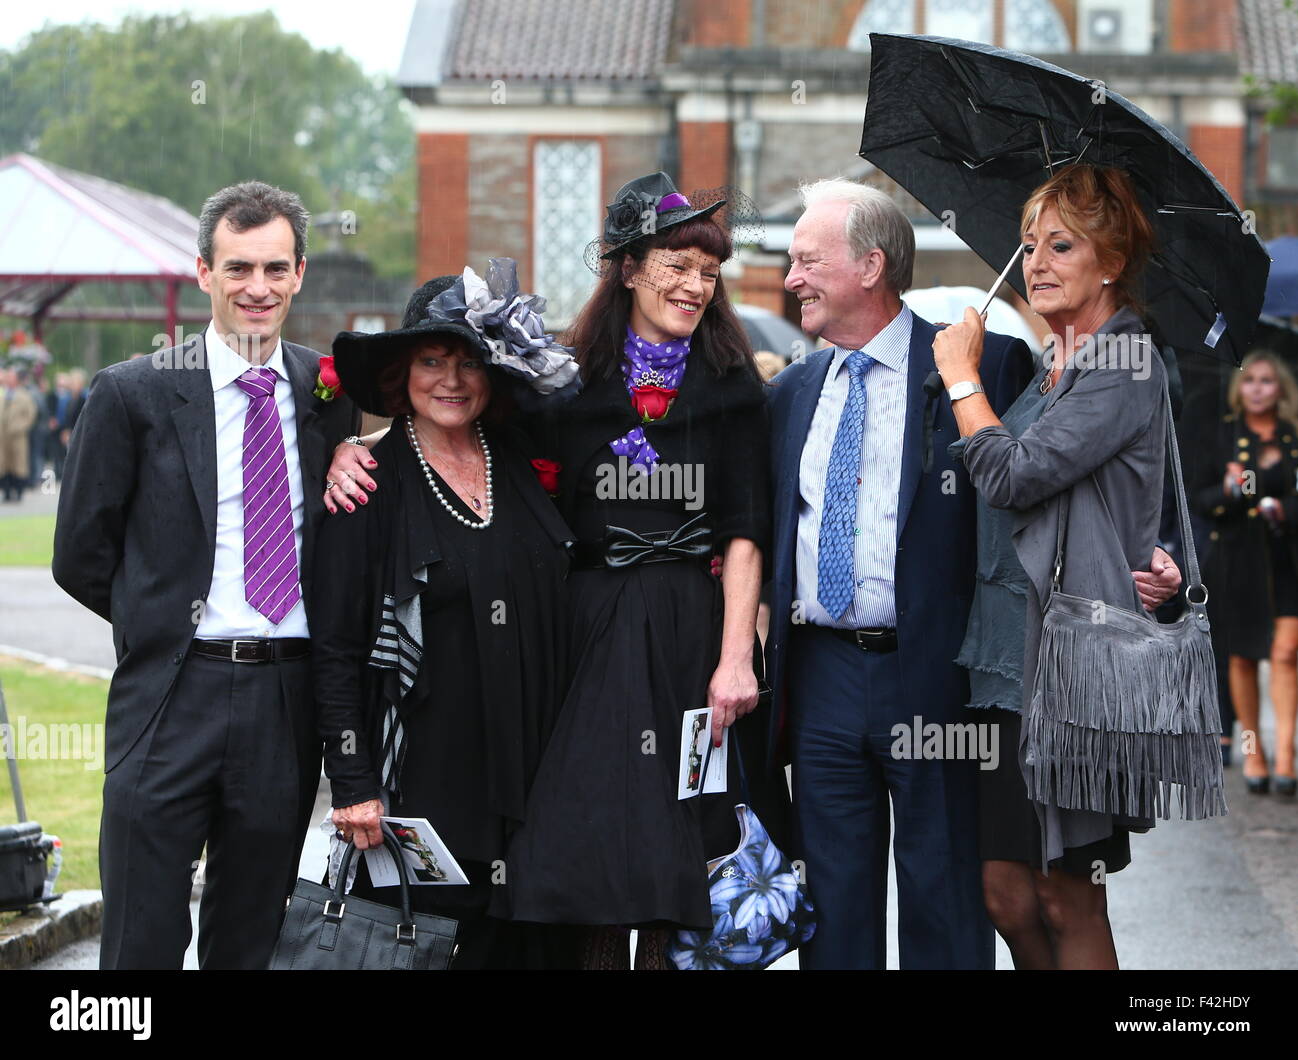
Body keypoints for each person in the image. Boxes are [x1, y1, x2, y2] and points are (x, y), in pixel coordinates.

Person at [327, 173, 782, 969]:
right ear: (629, 268)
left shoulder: (733, 387)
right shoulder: (567, 384)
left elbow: (747, 533)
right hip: (588, 635)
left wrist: (736, 657)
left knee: (686, 855)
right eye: (677, 264)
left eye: (708, 272)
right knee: (587, 854)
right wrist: (355, 446)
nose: (694, 285)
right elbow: (451, 423)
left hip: (691, 636)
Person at [52, 180, 358, 969]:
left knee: (252, 934)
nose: (257, 287)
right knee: (141, 936)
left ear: (298, 276)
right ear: (203, 272)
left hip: (286, 701)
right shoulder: (134, 393)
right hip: (169, 696)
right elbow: (80, 554)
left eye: (275, 269)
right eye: (238, 268)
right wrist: (162, 624)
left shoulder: (326, 393)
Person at [765, 179, 1033, 970]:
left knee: (945, 901)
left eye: (807, 261)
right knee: (833, 912)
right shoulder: (789, 393)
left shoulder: (982, 365)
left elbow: (1049, 480)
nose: (790, 279)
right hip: (819, 682)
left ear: (871, 265)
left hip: (936, 676)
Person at [932, 163, 1189, 969]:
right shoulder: (1057, 364)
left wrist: (959, 376)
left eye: (1062, 245)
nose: (1037, 262)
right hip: (1009, 659)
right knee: (1006, 891)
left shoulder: (1124, 362)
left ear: (1110, 262)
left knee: (1065, 892)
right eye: (1029, 244)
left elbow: (1013, 476)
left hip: (1073, 667)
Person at [314, 262, 580, 968]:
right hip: (427, 779)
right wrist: (353, 785)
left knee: (531, 948)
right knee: (433, 949)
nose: (452, 380)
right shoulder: (366, 486)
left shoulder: (523, 465)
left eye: (470, 362)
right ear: (401, 373)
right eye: (432, 360)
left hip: (536, 768)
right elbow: (335, 649)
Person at [1193, 350, 1298, 796]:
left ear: (1281, 388)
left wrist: (1277, 503)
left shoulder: (1295, 437)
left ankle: (1287, 758)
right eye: (1250, 380)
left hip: (1287, 559)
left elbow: (1284, 489)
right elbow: (1204, 499)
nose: (1257, 387)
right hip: (1237, 559)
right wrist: (1235, 488)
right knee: (1239, 656)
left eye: (1267, 380)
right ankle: (1253, 751)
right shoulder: (1224, 434)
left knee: (1285, 653)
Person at [0, 365, 38, 502]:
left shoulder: (24, 395)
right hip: (3, 436)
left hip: (17, 436)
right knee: (4, 464)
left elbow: (31, 415)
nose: (8, 379)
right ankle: (7, 492)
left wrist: (21, 427)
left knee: (19, 464)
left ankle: (19, 491)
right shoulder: (3, 394)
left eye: (11, 376)